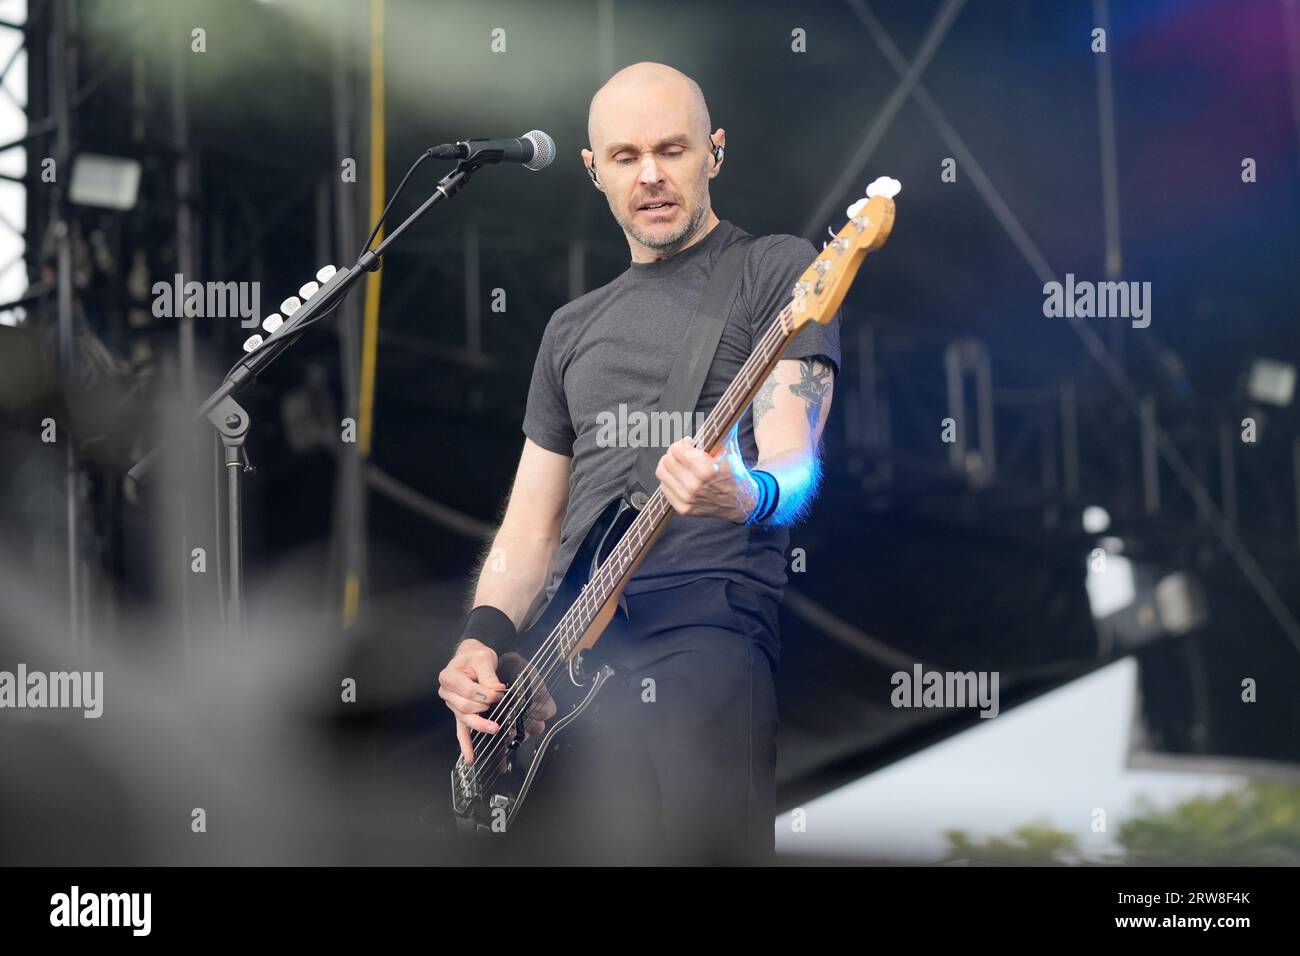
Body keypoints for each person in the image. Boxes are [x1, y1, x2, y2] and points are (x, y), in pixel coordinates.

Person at [437, 61, 841, 864]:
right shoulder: (569, 330)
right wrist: (480, 642)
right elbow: (528, 530)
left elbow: (796, 461)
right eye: (624, 156)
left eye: (673, 149)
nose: (650, 174)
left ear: (714, 153)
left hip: (705, 624)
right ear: (593, 171)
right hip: (563, 667)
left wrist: (749, 493)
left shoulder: (776, 271)